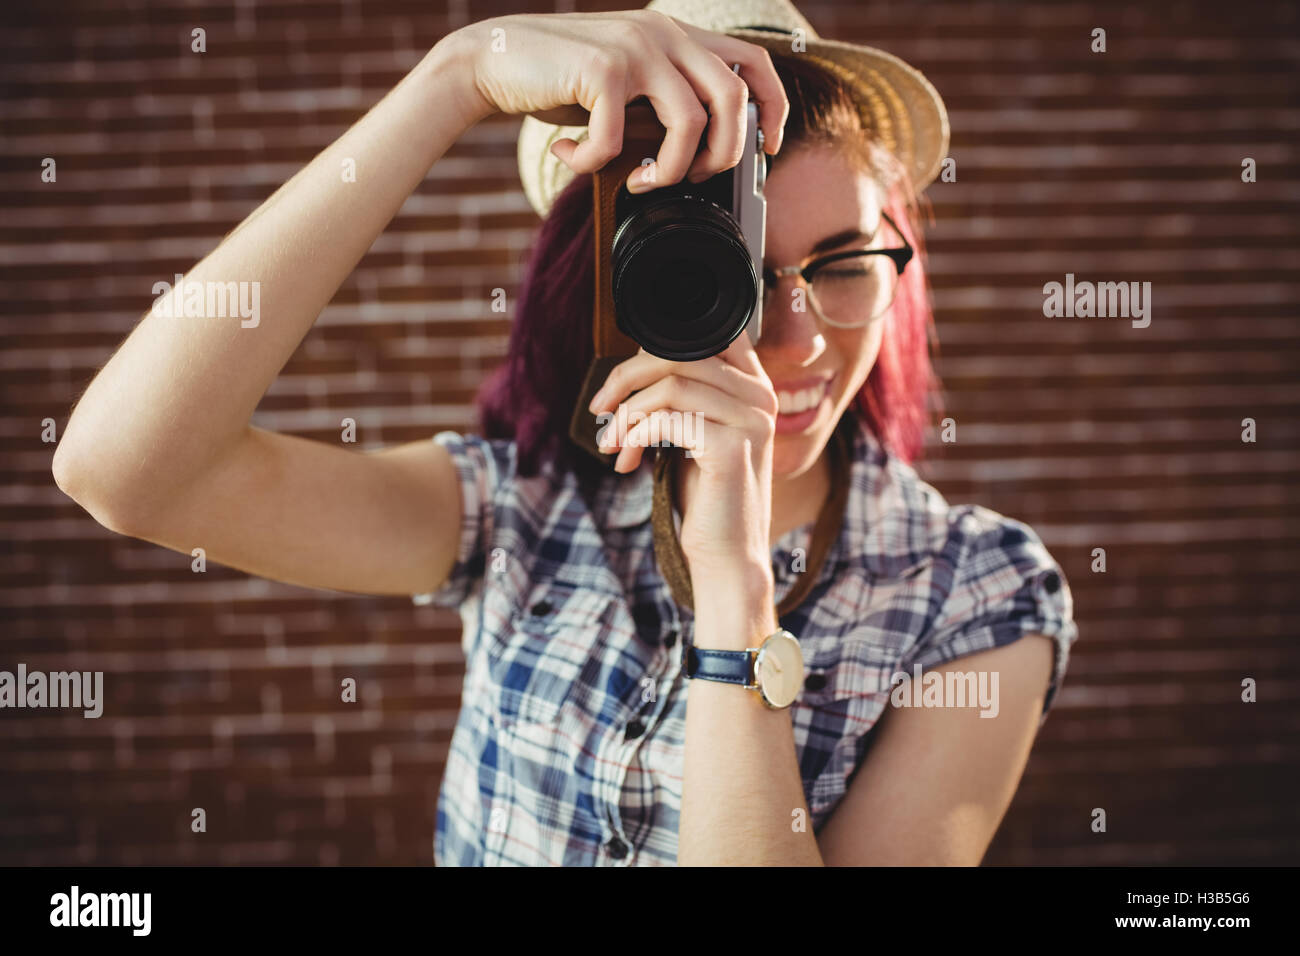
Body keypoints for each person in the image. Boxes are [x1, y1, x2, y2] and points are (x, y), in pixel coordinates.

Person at [53, 0, 1077, 866]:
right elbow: (126, 473)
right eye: (725, 275)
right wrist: (453, 76)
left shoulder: (973, 593)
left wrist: (733, 590)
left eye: (844, 263)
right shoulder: (523, 506)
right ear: (619, 288)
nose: (794, 337)